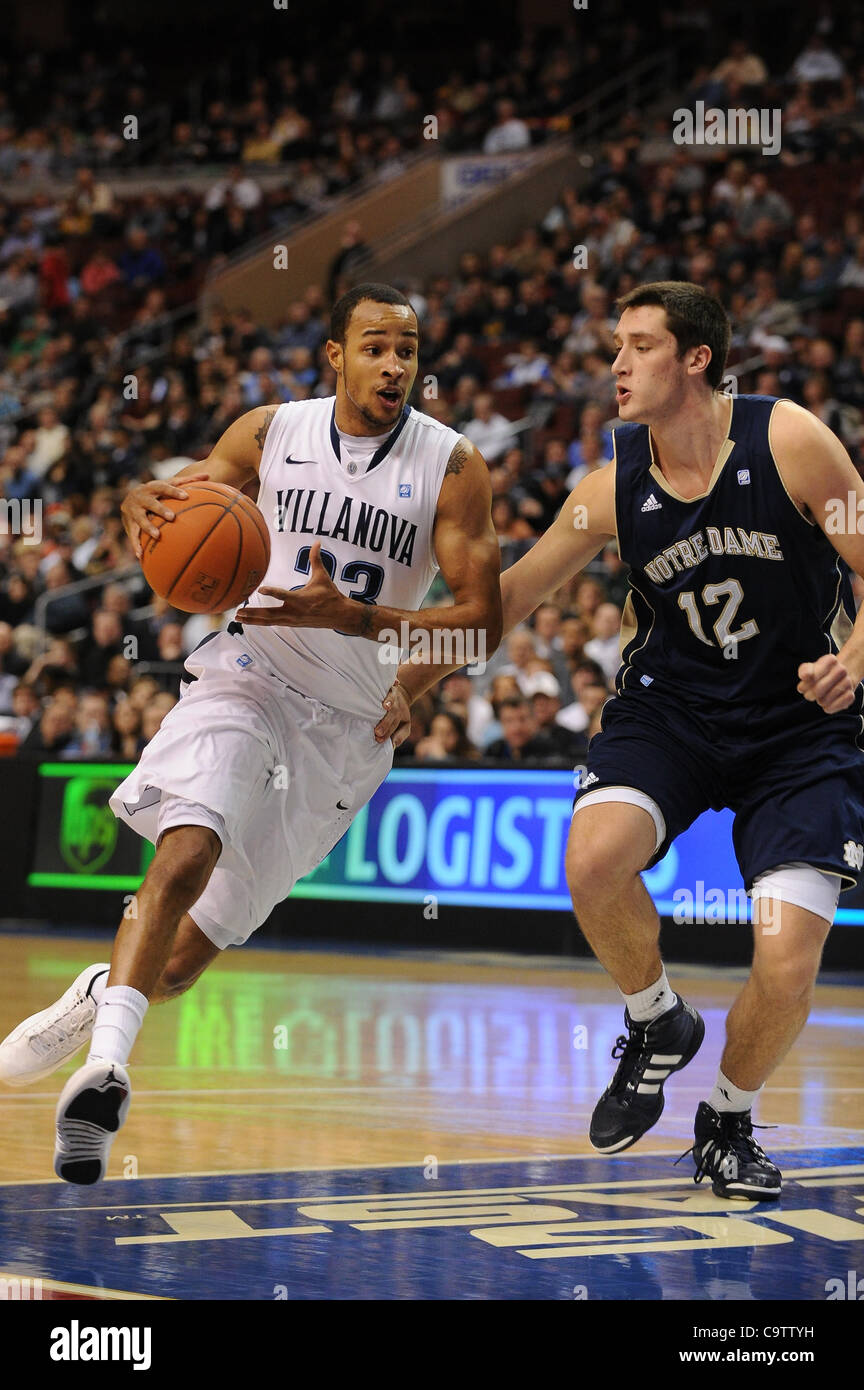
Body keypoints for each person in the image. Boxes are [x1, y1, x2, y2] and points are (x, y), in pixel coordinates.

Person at [0, 283, 502, 1185]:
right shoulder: (269, 431)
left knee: (188, 957)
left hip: (347, 729)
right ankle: (107, 1070)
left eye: (411, 351)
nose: (397, 365)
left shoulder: (453, 466)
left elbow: (482, 624)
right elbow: (174, 504)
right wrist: (134, 501)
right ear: (334, 356)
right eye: (378, 347)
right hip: (249, 675)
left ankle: (92, 1007)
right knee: (185, 852)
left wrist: (361, 621)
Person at [377, 280, 864, 1202]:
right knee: (594, 859)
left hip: (801, 729)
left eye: (640, 345)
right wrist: (411, 683)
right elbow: (511, 599)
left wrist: (854, 657)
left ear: (696, 360)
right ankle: (656, 1020)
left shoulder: (788, 440)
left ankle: (726, 1119)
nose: (617, 365)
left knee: (787, 958)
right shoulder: (609, 487)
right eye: (615, 346)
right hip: (671, 711)